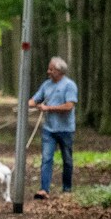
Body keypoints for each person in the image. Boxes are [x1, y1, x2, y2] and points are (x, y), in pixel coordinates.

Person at [28, 56, 78, 200]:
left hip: (66, 130)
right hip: (49, 130)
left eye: (51, 69)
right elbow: (35, 99)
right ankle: (44, 189)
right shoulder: (46, 85)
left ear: (59, 71)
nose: (48, 71)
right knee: (46, 158)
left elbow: (69, 106)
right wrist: (28, 104)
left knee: (67, 160)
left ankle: (67, 188)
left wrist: (48, 108)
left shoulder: (69, 85)